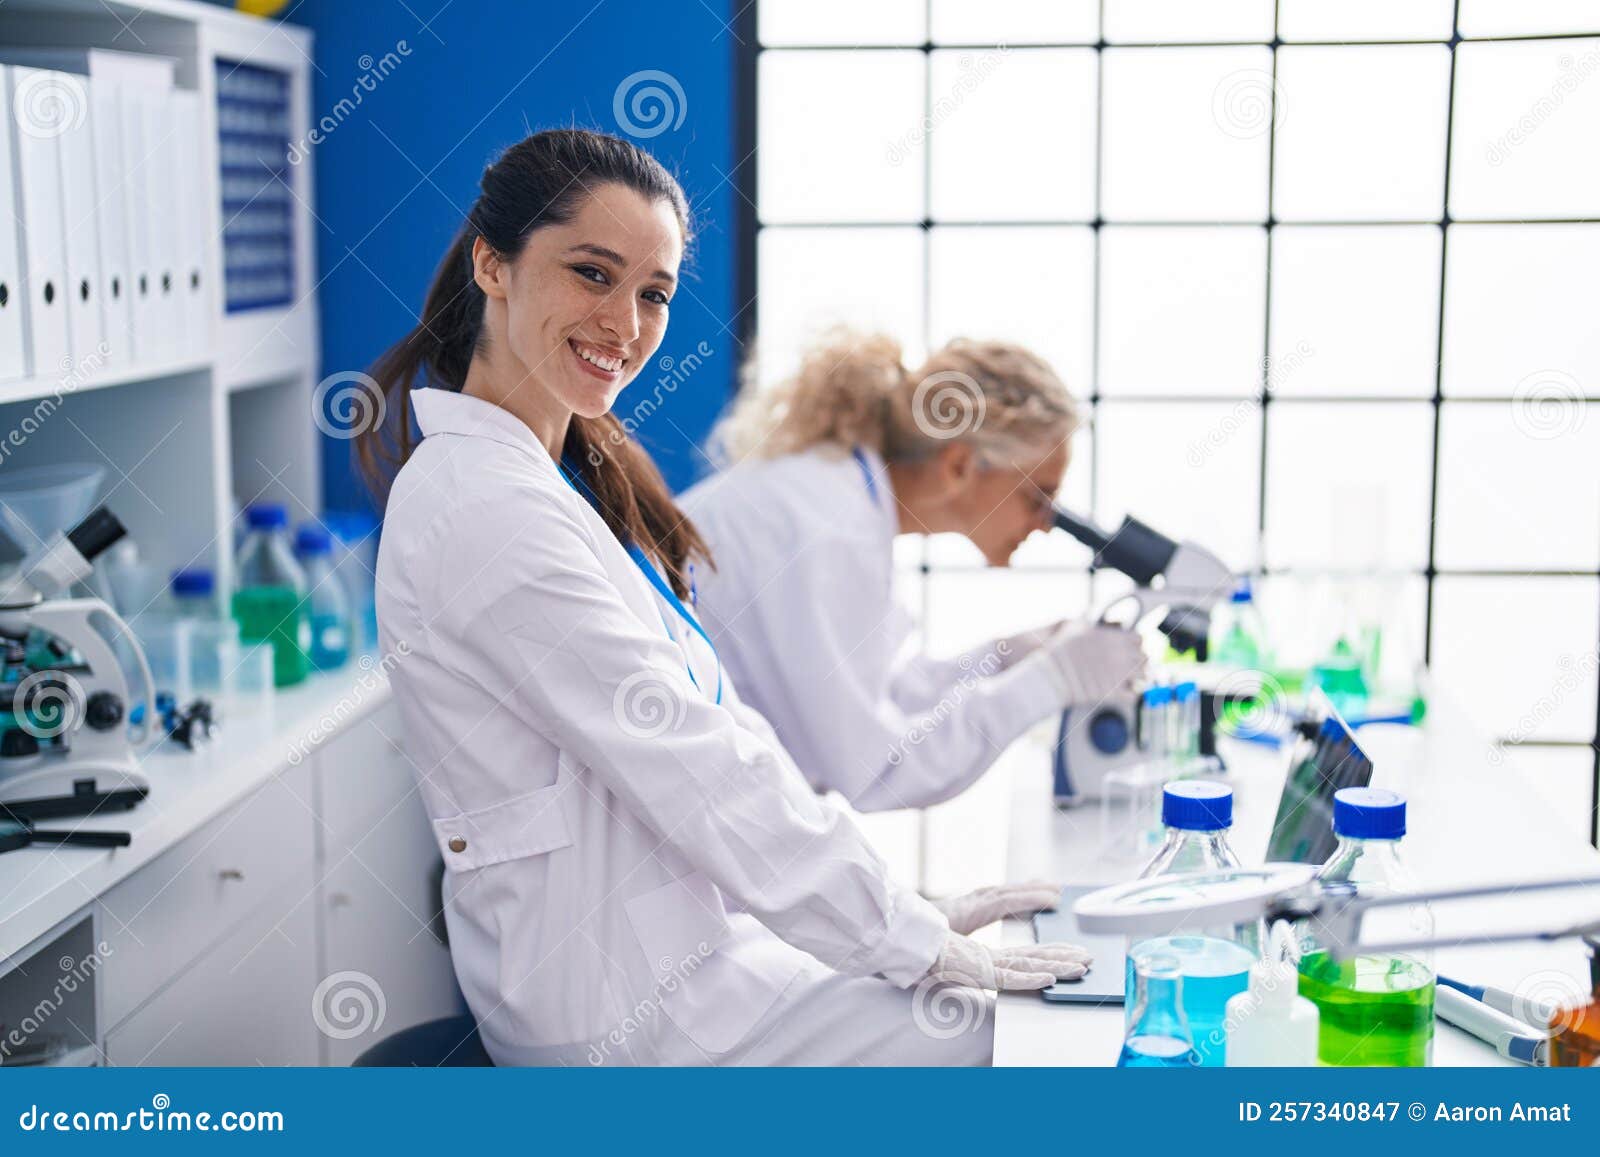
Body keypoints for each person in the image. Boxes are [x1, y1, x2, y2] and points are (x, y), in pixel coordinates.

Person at [360, 129, 1089, 1066]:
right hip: (632, 1015)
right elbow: (697, 765)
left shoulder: (548, 486)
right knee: (1022, 1044)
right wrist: (906, 935)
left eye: (654, 294)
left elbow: (731, 734)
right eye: (593, 273)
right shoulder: (485, 508)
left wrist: (905, 915)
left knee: (1021, 1020)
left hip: (705, 960)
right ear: (491, 266)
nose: (625, 324)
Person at [679, 333, 1146, 812]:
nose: (1044, 525)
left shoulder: (841, 495)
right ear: (960, 466)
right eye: (1038, 498)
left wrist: (1003, 658)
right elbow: (878, 772)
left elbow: (878, 696)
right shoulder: (829, 529)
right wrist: (1050, 680)